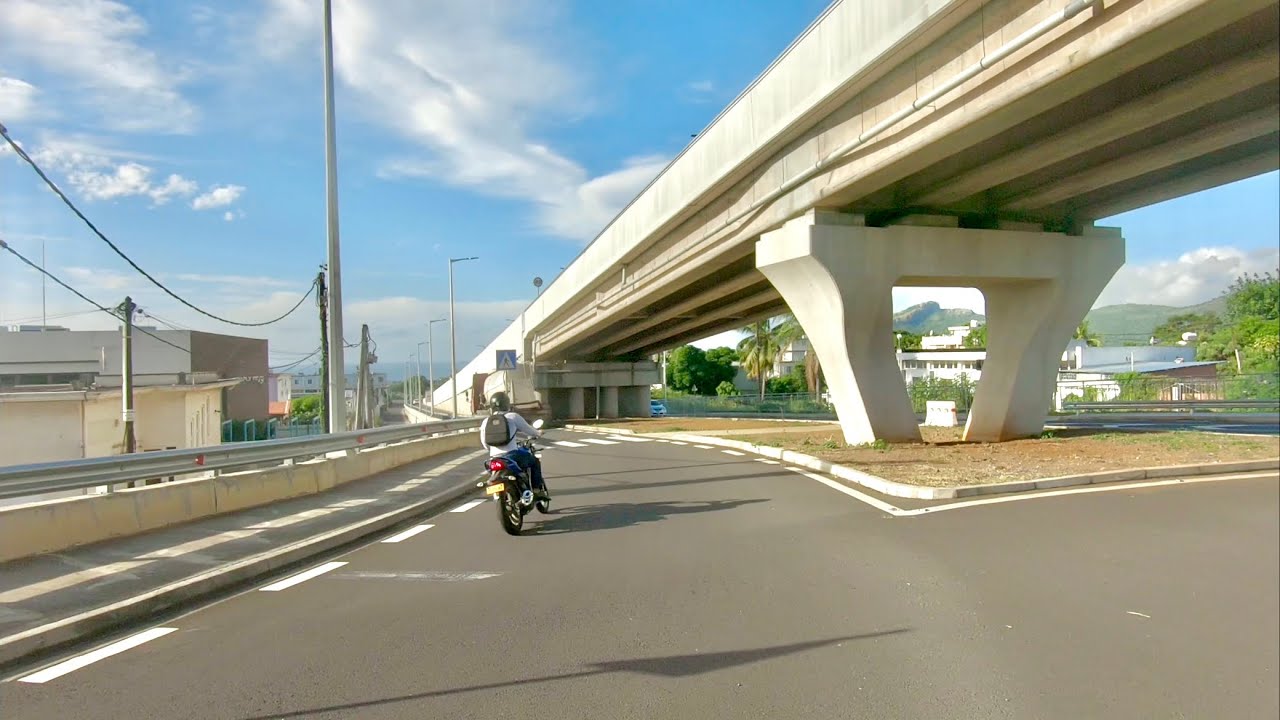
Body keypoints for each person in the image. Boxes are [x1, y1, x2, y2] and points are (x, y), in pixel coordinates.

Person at [479, 392, 548, 500]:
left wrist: (494, 450)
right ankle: (536, 489)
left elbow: (485, 443)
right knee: (534, 461)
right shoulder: (513, 417)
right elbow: (529, 430)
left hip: (494, 458)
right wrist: (538, 433)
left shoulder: (486, 421)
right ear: (507, 404)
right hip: (512, 455)